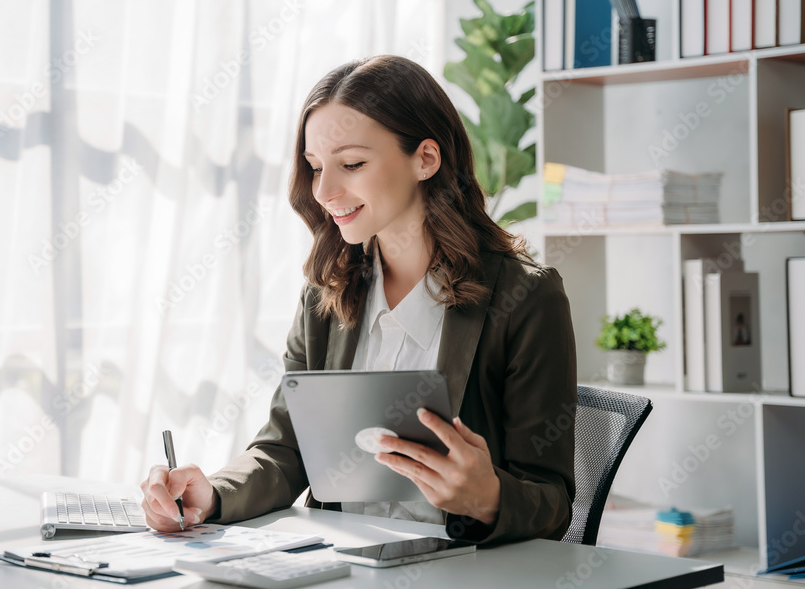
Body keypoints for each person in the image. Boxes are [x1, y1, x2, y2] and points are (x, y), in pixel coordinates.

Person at [140, 54, 577, 545]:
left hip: (460, 570)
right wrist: (212, 494)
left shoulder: (525, 298)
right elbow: (286, 450)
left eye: (352, 164)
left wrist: (487, 496)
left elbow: (553, 501)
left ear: (425, 159)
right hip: (340, 565)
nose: (324, 190)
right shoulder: (325, 295)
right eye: (314, 167)